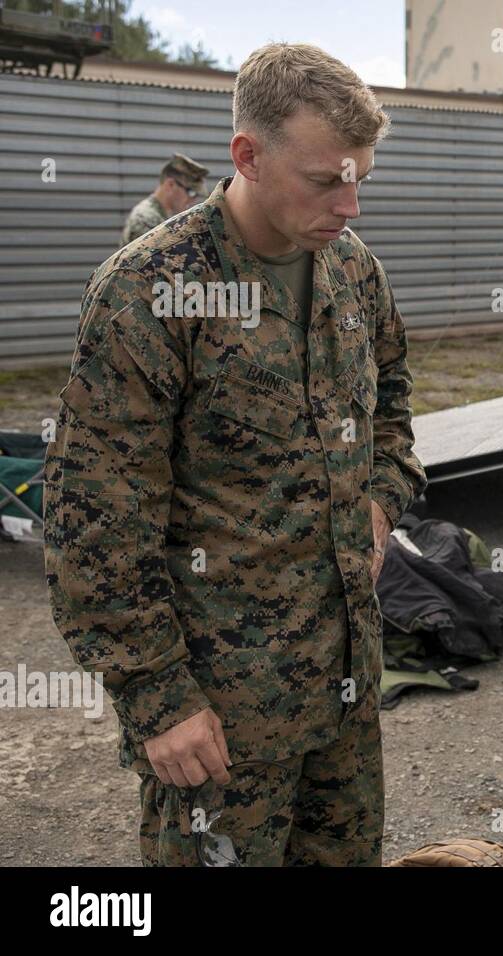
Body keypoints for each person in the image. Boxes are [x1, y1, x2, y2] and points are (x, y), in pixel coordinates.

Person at [44, 43, 426, 867]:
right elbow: (93, 524)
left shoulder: (352, 273)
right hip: (221, 715)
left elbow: (393, 410)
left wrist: (379, 502)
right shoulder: (152, 291)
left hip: (346, 689)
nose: (351, 203)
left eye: (360, 176)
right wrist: (158, 698)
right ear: (246, 156)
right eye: (327, 179)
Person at [120, 153, 210, 245]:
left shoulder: (164, 215)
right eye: (191, 192)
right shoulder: (145, 219)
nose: (192, 200)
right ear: (170, 185)